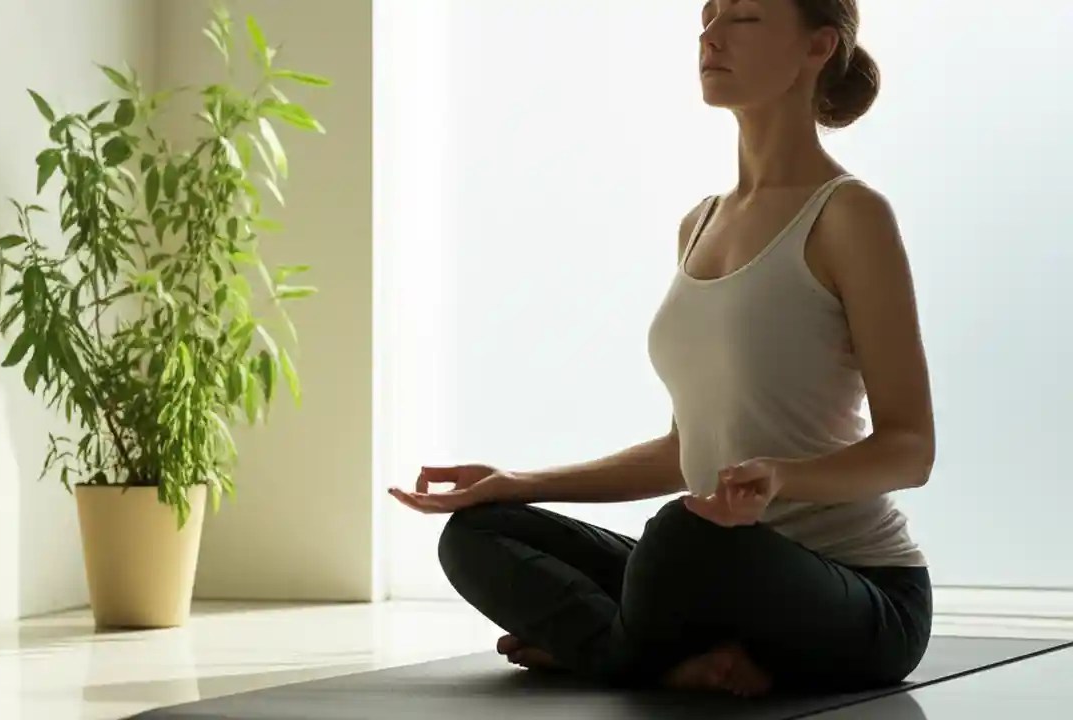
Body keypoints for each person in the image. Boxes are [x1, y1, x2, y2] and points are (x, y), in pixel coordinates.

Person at [388, 0, 936, 699]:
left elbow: (910, 450)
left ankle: (611, 653)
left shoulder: (849, 216)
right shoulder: (699, 224)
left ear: (817, 46)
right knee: (477, 533)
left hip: (858, 593)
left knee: (681, 534)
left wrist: (779, 477)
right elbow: (686, 450)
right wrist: (518, 483)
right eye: (709, 14)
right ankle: (663, 661)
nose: (710, 34)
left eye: (744, 18)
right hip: (715, 568)